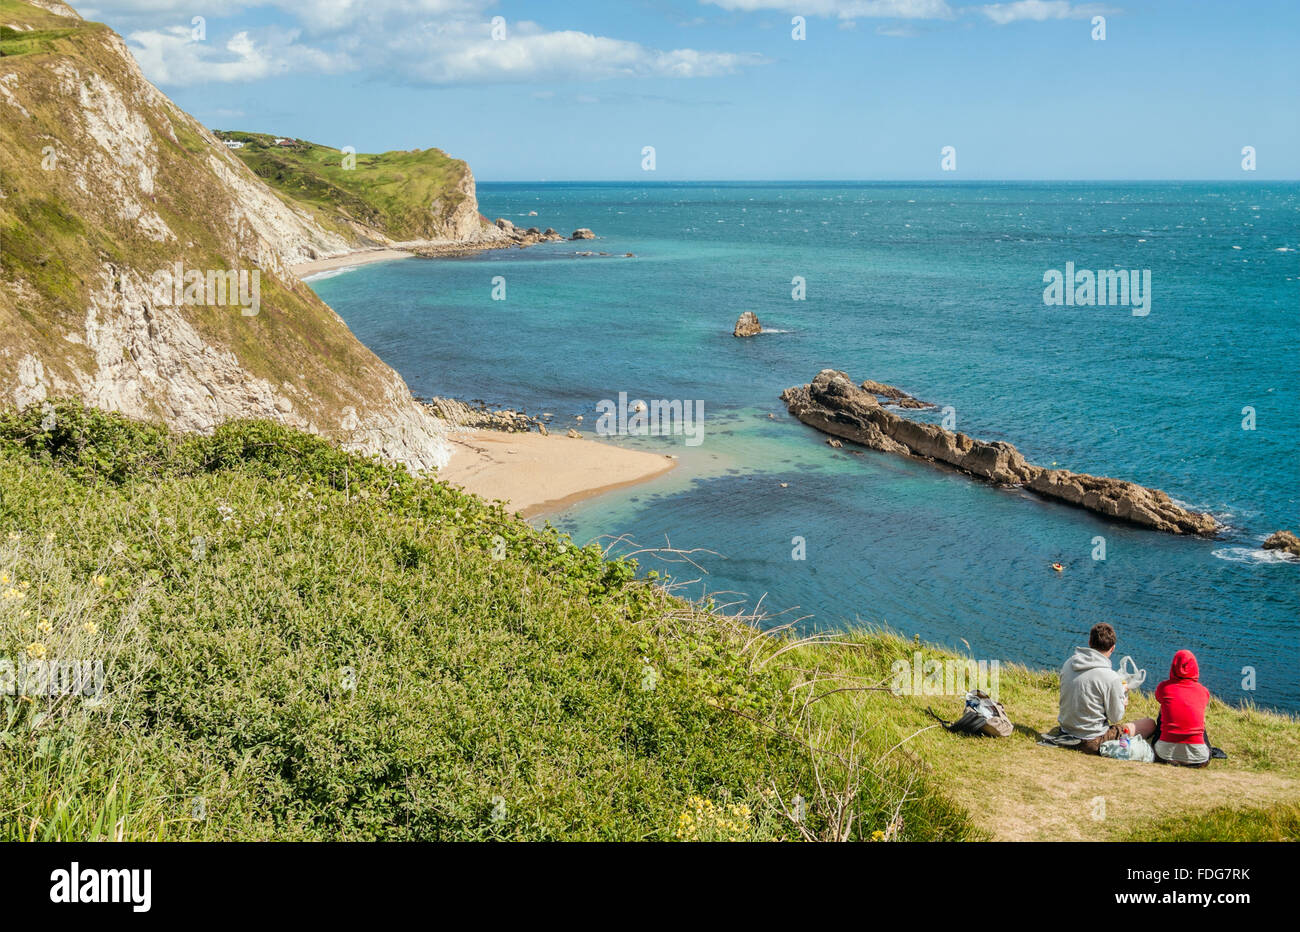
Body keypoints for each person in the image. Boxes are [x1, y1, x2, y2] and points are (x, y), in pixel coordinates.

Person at [1058, 623, 1156, 754]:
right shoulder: (1111, 677)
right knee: (1149, 724)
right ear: (1112, 648)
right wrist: (1122, 702)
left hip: (1065, 732)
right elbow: (1116, 717)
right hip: (1091, 740)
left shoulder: (1069, 663)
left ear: (1089, 642)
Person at [1152, 649, 1212, 767]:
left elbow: (1159, 699)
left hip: (1164, 755)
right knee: (1200, 722)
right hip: (1199, 759)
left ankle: (1168, 743)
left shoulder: (1164, 687)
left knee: (1163, 711)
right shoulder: (1203, 691)